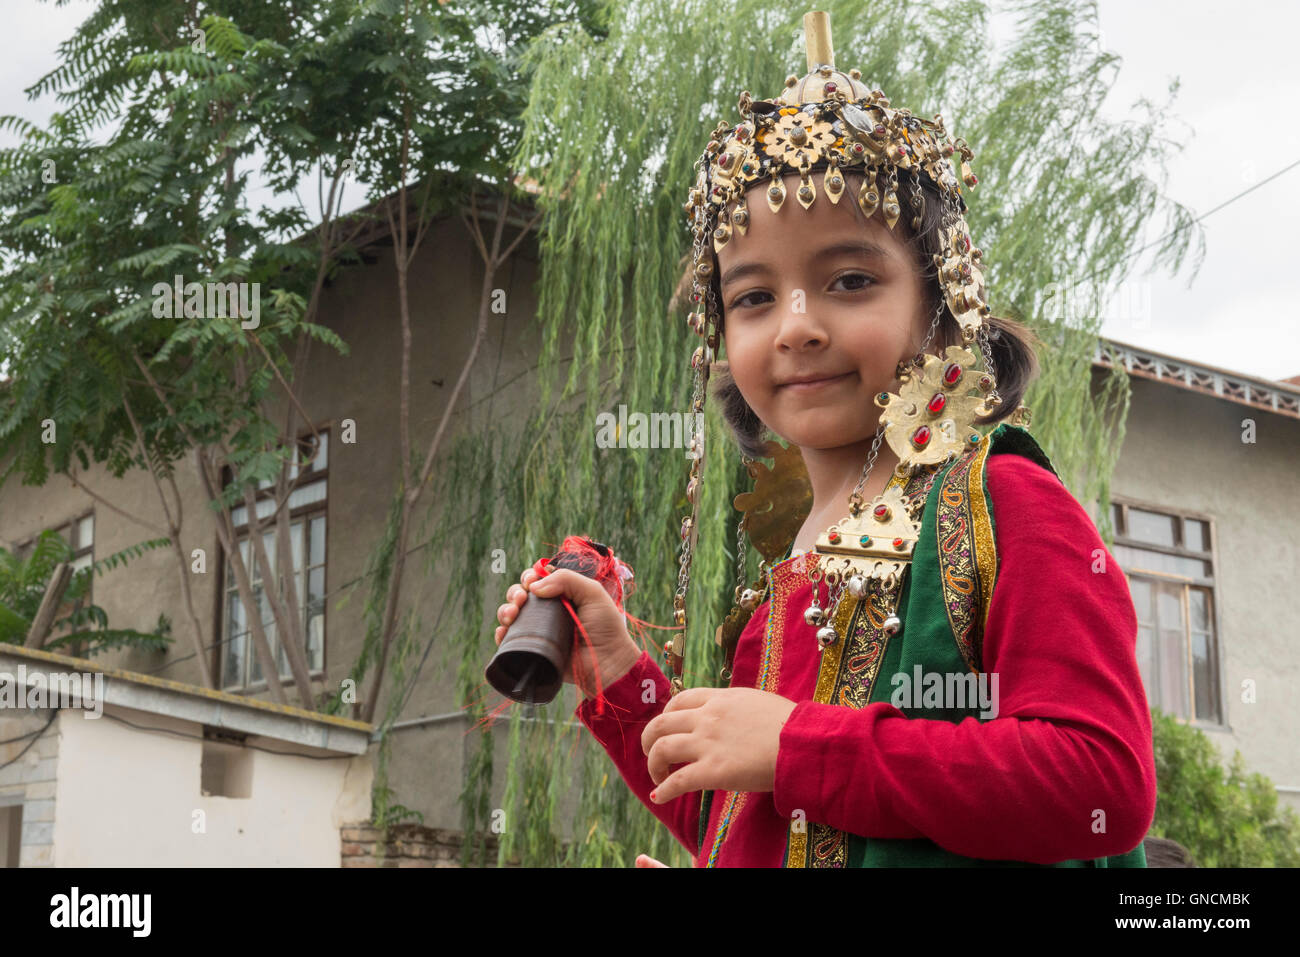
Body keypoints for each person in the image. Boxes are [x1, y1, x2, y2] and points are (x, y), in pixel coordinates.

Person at [494, 11, 1156, 867]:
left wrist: (802, 746)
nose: (796, 327)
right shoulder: (775, 602)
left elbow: (1101, 780)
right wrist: (617, 675)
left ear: (943, 302)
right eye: (754, 297)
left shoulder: (1002, 506)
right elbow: (756, 818)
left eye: (849, 280)